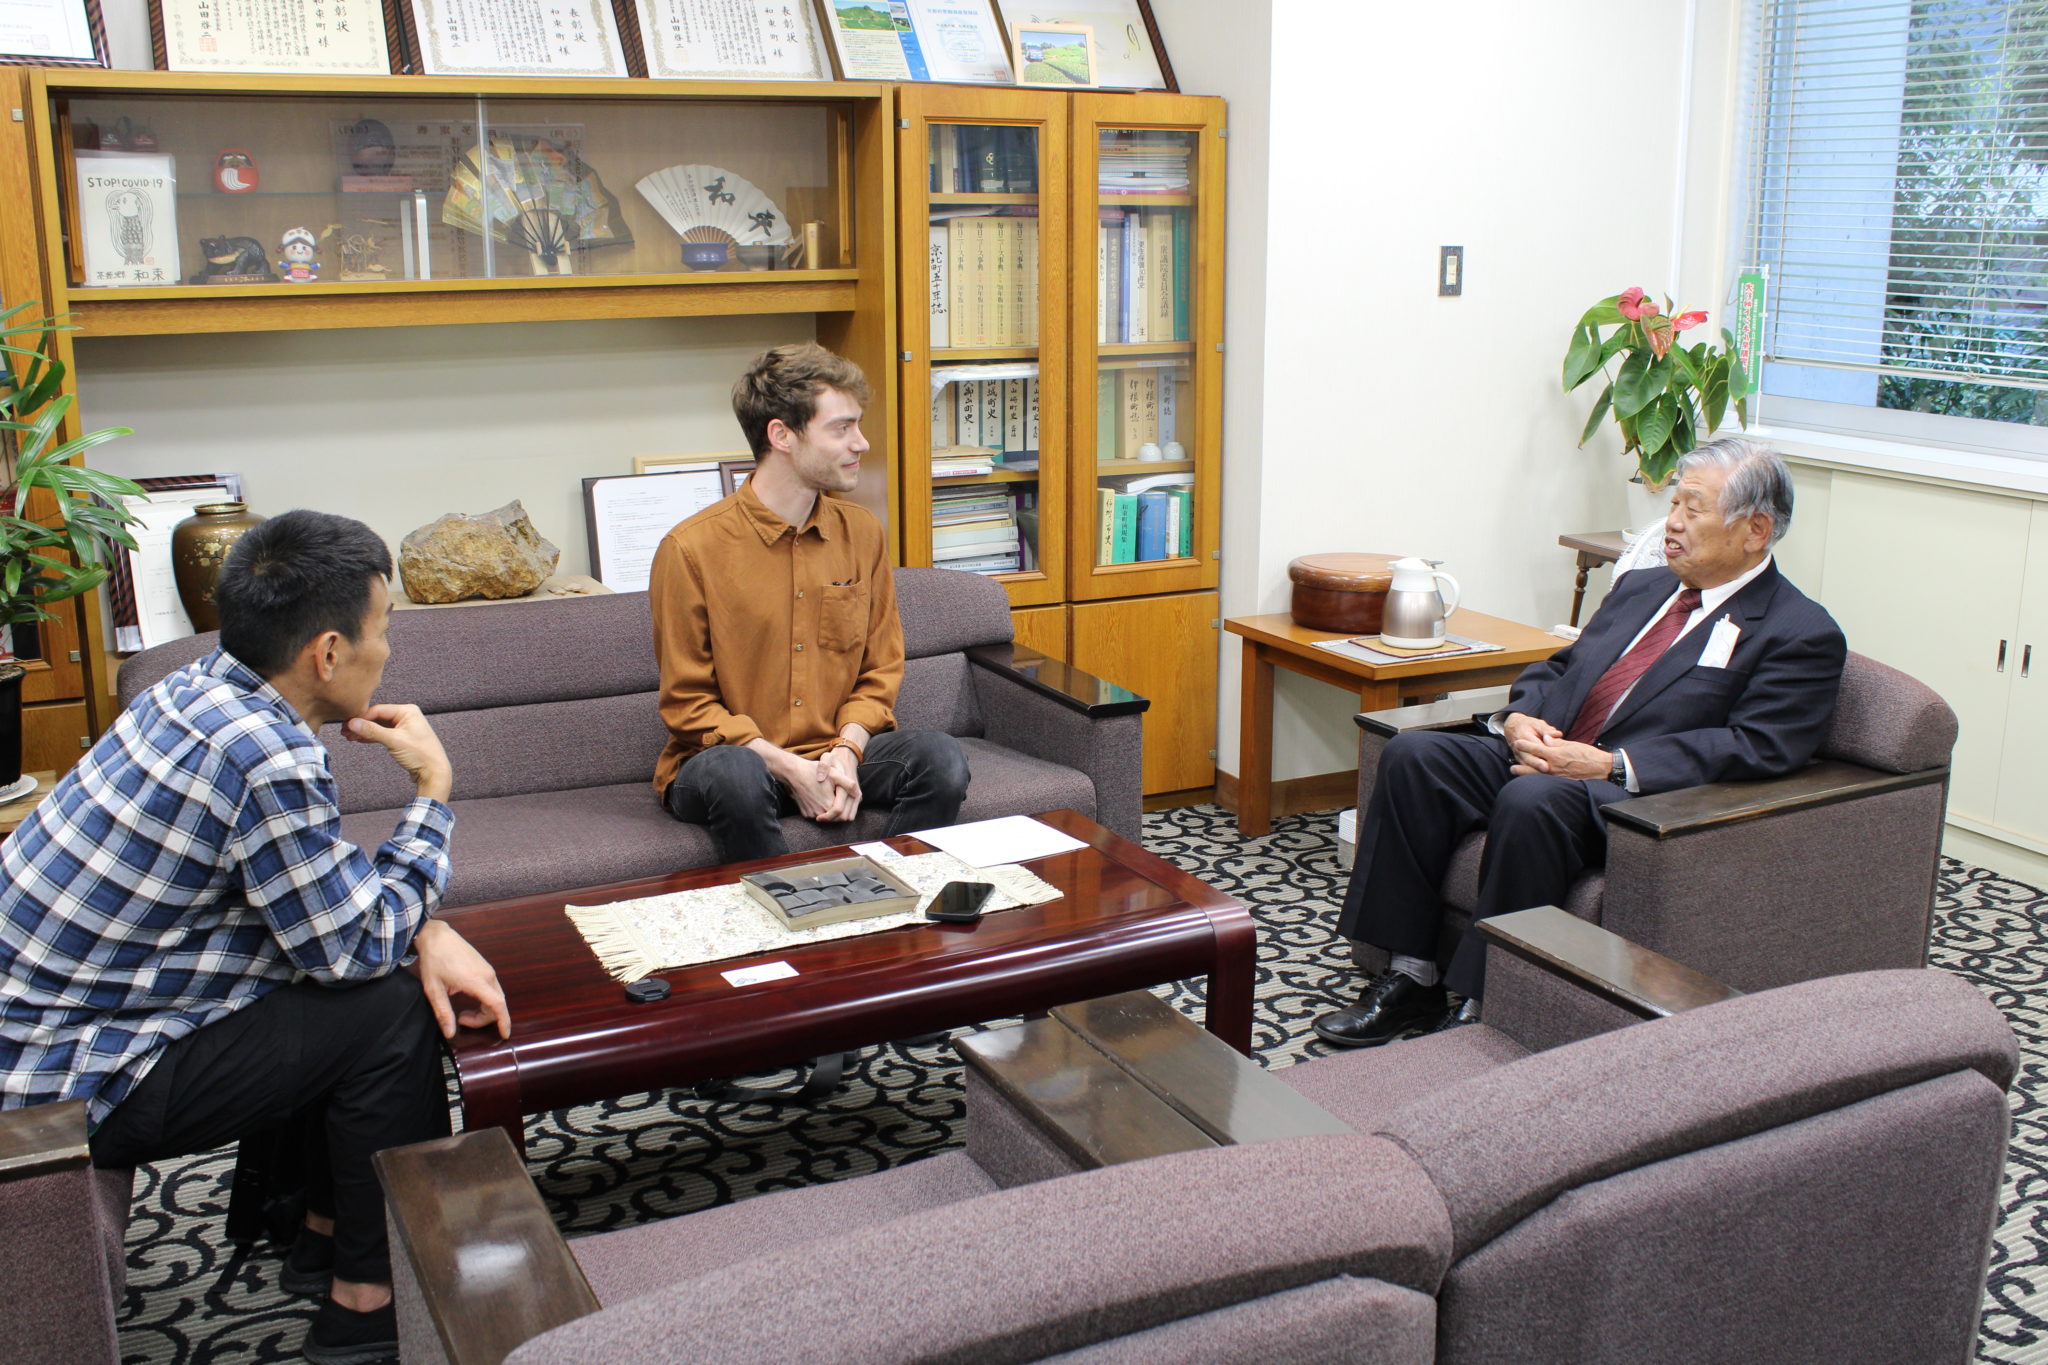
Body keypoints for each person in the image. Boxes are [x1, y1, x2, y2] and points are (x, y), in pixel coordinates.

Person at [0, 510, 508, 1365]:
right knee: (385, 1010)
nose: (389, 651)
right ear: (329, 653)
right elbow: (353, 945)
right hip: (62, 1081)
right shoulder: (267, 754)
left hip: (38, 1028)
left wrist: (415, 923)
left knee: (338, 977)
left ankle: (314, 1226)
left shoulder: (194, 688)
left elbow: (309, 906)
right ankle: (367, 1299)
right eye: (383, 630)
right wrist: (432, 789)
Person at [1315, 437, 1846, 1047]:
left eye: (1693, 510)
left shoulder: (1798, 631)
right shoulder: (1643, 588)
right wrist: (1518, 719)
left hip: (1630, 793)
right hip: (1551, 749)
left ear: (1755, 530)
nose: (1671, 523)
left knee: (1534, 800)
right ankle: (1410, 975)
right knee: (1415, 758)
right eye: (1674, 503)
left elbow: (1760, 745)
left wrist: (1612, 764)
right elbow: (1560, 668)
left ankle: (1490, 1001)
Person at [651, 343, 970, 862]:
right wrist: (790, 768)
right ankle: (791, 913)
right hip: (727, 762)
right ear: (781, 435)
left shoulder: (862, 533)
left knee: (939, 758)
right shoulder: (690, 549)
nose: (861, 443)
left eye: (857, 426)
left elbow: (880, 669)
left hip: (835, 752)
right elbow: (688, 704)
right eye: (841, 428)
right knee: (737, 773)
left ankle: (890, 890)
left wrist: (846, 750)